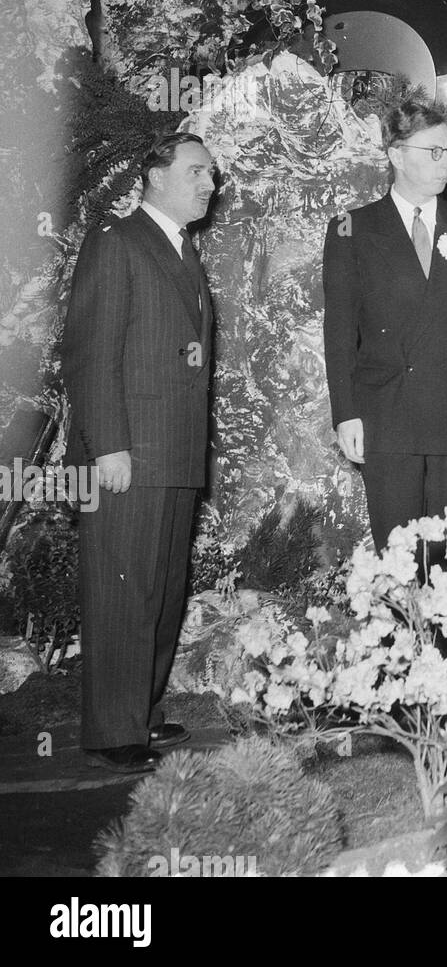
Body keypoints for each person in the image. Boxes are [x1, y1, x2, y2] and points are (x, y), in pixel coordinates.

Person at [62, 131, 217, 773]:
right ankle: (112, 731)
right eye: (197, 171)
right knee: (123, 593)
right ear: (154, 176)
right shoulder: (117, 241)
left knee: (161, 591)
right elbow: (90, 353)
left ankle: (140, 714)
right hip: (128, 454)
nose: (210, 184)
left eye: (212, 174)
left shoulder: (181, 248)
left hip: (174, 453)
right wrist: (109, 448)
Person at [322, 99, 447, 563]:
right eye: (435, 152)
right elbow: (340, 334)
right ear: (396, 154)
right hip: (388, 418)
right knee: (399, 562)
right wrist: (346, 414)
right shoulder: (351, 230)